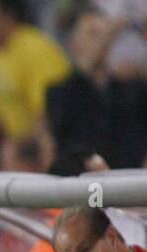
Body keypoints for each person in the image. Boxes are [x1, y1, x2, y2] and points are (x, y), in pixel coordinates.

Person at [46, 7, 146, 170]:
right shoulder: (61, 93)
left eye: (106, 34)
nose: (103, 41)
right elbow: (64, 146)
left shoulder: (132, 90)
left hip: (131, 185)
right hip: (85, 188)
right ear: (73, 43)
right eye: (93, 34)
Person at [0, 0, 71, 142]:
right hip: (15, 146)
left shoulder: (33, 49)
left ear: (7, 16)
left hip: (47, 145)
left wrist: (21, 148)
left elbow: (49, 113)